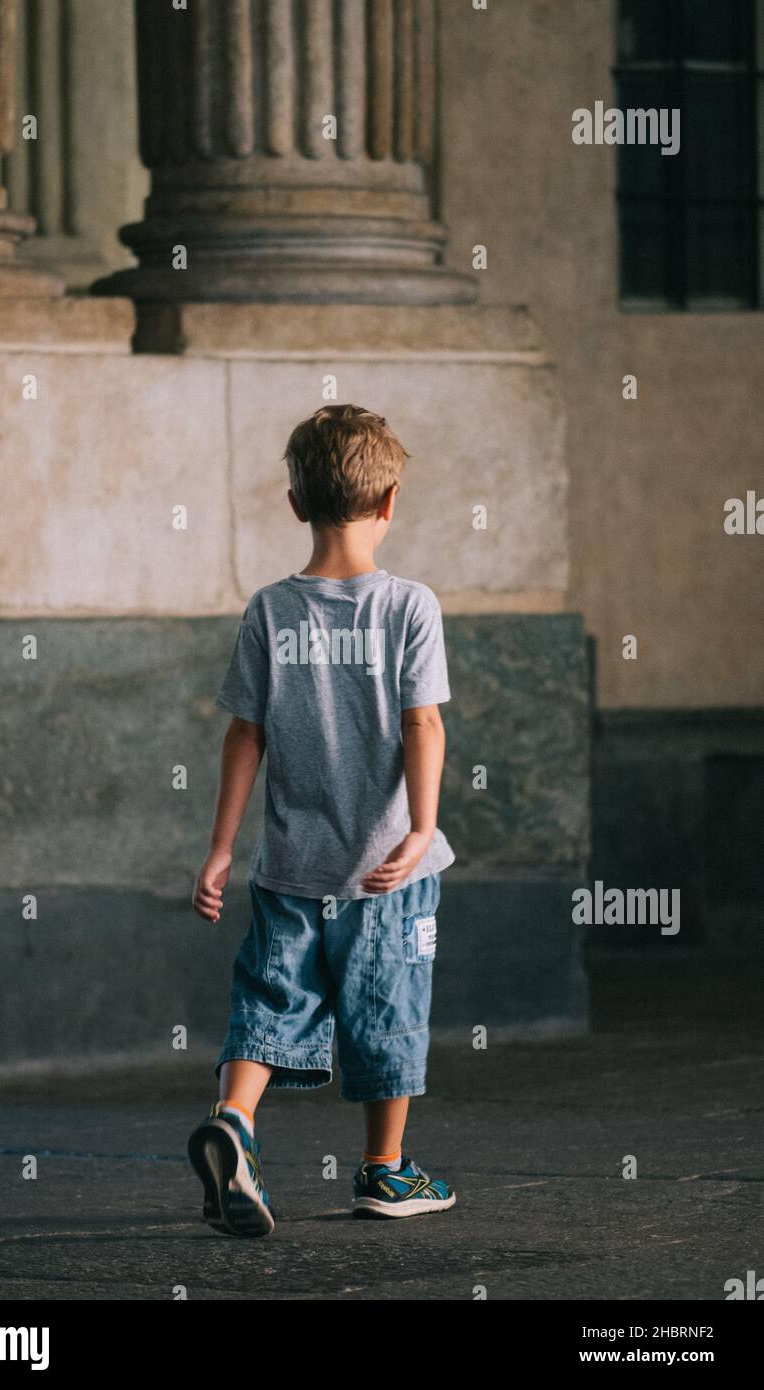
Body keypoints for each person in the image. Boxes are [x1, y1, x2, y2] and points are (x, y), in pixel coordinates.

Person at [188, 403, 456, 1237]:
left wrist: (221, 849)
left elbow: (245, 734)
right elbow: (424, 723)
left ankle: (234, 1120)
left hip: (289, 869)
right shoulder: (410, 607)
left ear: (296, 503)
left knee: (269, 1000)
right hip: (386, 873)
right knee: (388, 1011)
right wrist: (418, 832)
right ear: (389, 502)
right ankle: (383, 1171)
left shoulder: (270, 611)